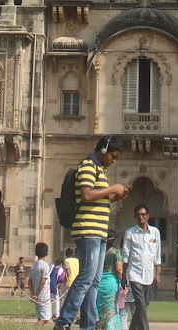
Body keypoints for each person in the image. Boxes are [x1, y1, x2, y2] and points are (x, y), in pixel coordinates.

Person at [54, 137, 131, 330]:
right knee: (86, 278)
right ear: (103, 150)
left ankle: (88, 325)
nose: (114, 161)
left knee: (93, 281)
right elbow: (87, 194)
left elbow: (96, 200)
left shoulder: (99, 171)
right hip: (87, 230)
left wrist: (114, 196)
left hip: (98, 232)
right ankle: (63, 322)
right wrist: (113, 188)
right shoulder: (88, 166)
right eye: (113, 156)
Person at [121, 204, 161, 330]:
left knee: (143, 304)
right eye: (138, 215)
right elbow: (125, 256)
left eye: (143, 214)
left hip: (149, 274)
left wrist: (158, 274)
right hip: (134, 274)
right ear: (135, 217)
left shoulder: (155, 232)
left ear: (148, 216)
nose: (141, 217)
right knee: (141, 306)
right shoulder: (130, 233)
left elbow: (157, 256)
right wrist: (123, 277)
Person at [97, 234, 127, 330]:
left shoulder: (99, 252)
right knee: (111, 310)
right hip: (111, 283)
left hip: (99, 282)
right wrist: (123, 283)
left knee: (100, 310)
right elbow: (119, 270)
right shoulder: (115, 252)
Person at [33, 242, 55, 327]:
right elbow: (43, 281)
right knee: (46, 317)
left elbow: (29, 281)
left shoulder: (34, 264)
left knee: (40, 316)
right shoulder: (45, 265)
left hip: (36, 293)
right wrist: (37, 294)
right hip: (43, 294)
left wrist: (33, 293)